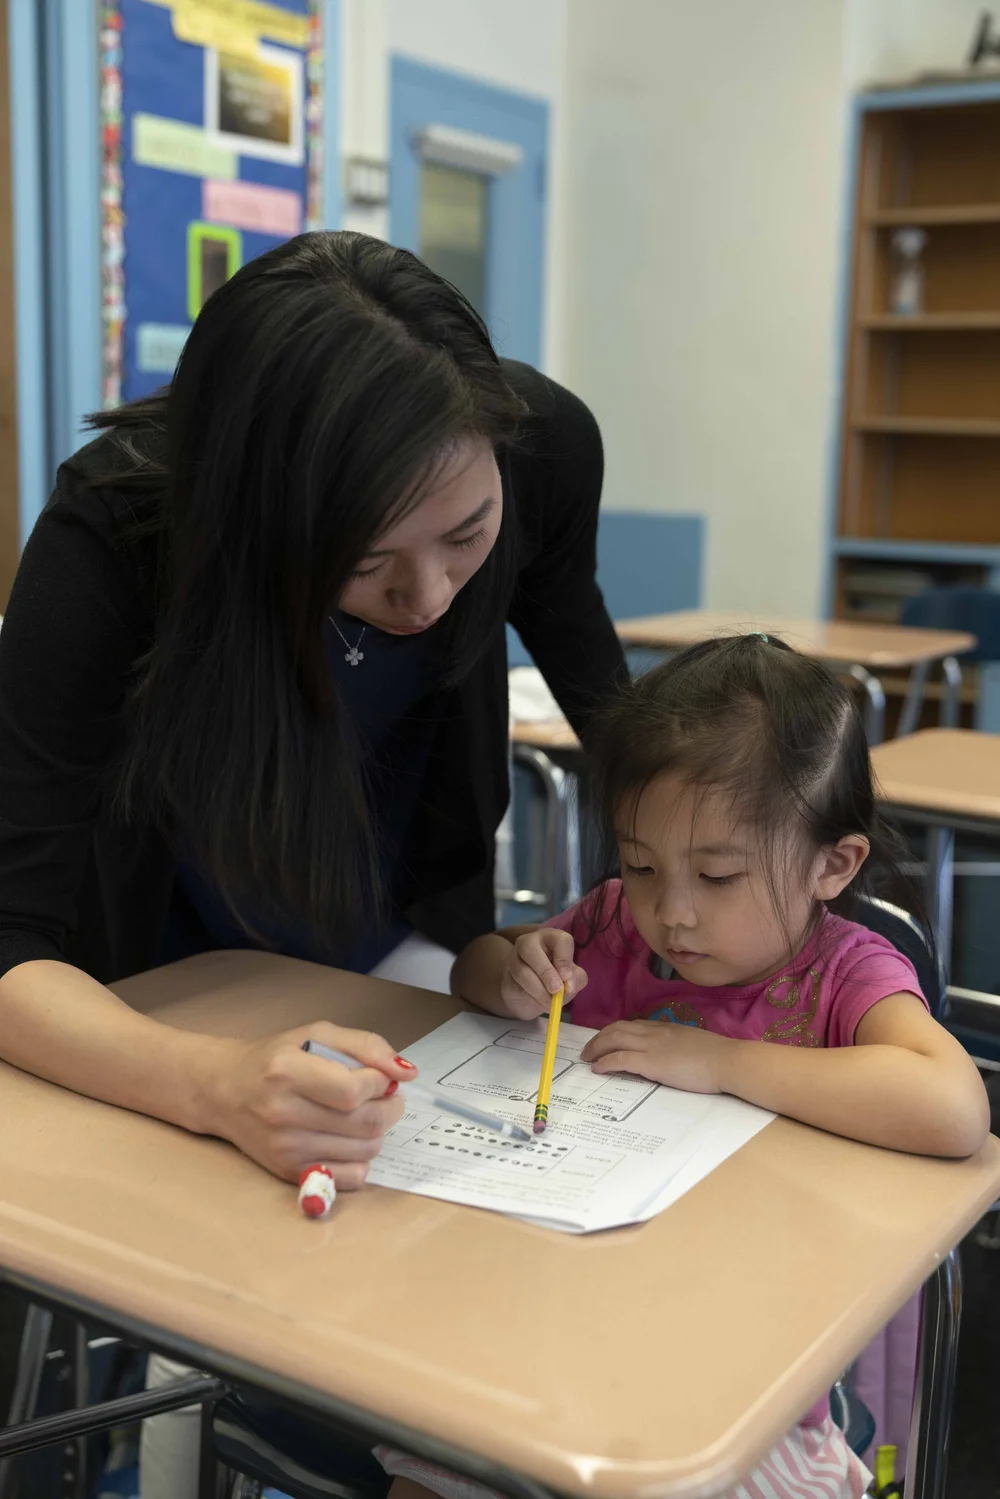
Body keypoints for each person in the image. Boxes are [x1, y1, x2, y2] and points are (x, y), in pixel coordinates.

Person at [0, 229, 624, 1190]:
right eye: (365, 564)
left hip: (397, 951)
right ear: (252, 520)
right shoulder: (119, 532)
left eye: (466, 537)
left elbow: (617, 721)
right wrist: (212, 1084)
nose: (426, 598)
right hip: (166, 991)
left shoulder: (541, 446)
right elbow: (10, 938)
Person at [379, 634, 989, 1499]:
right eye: (639, 864)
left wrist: (723, 1060)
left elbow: (953, 1105)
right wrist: (510, 968)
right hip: (556, 1317)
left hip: (738, 1360)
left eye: (717, 874)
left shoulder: (844, 973)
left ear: (833, 864)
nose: (672, 912)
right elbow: (472, 970)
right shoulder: (613, 923)